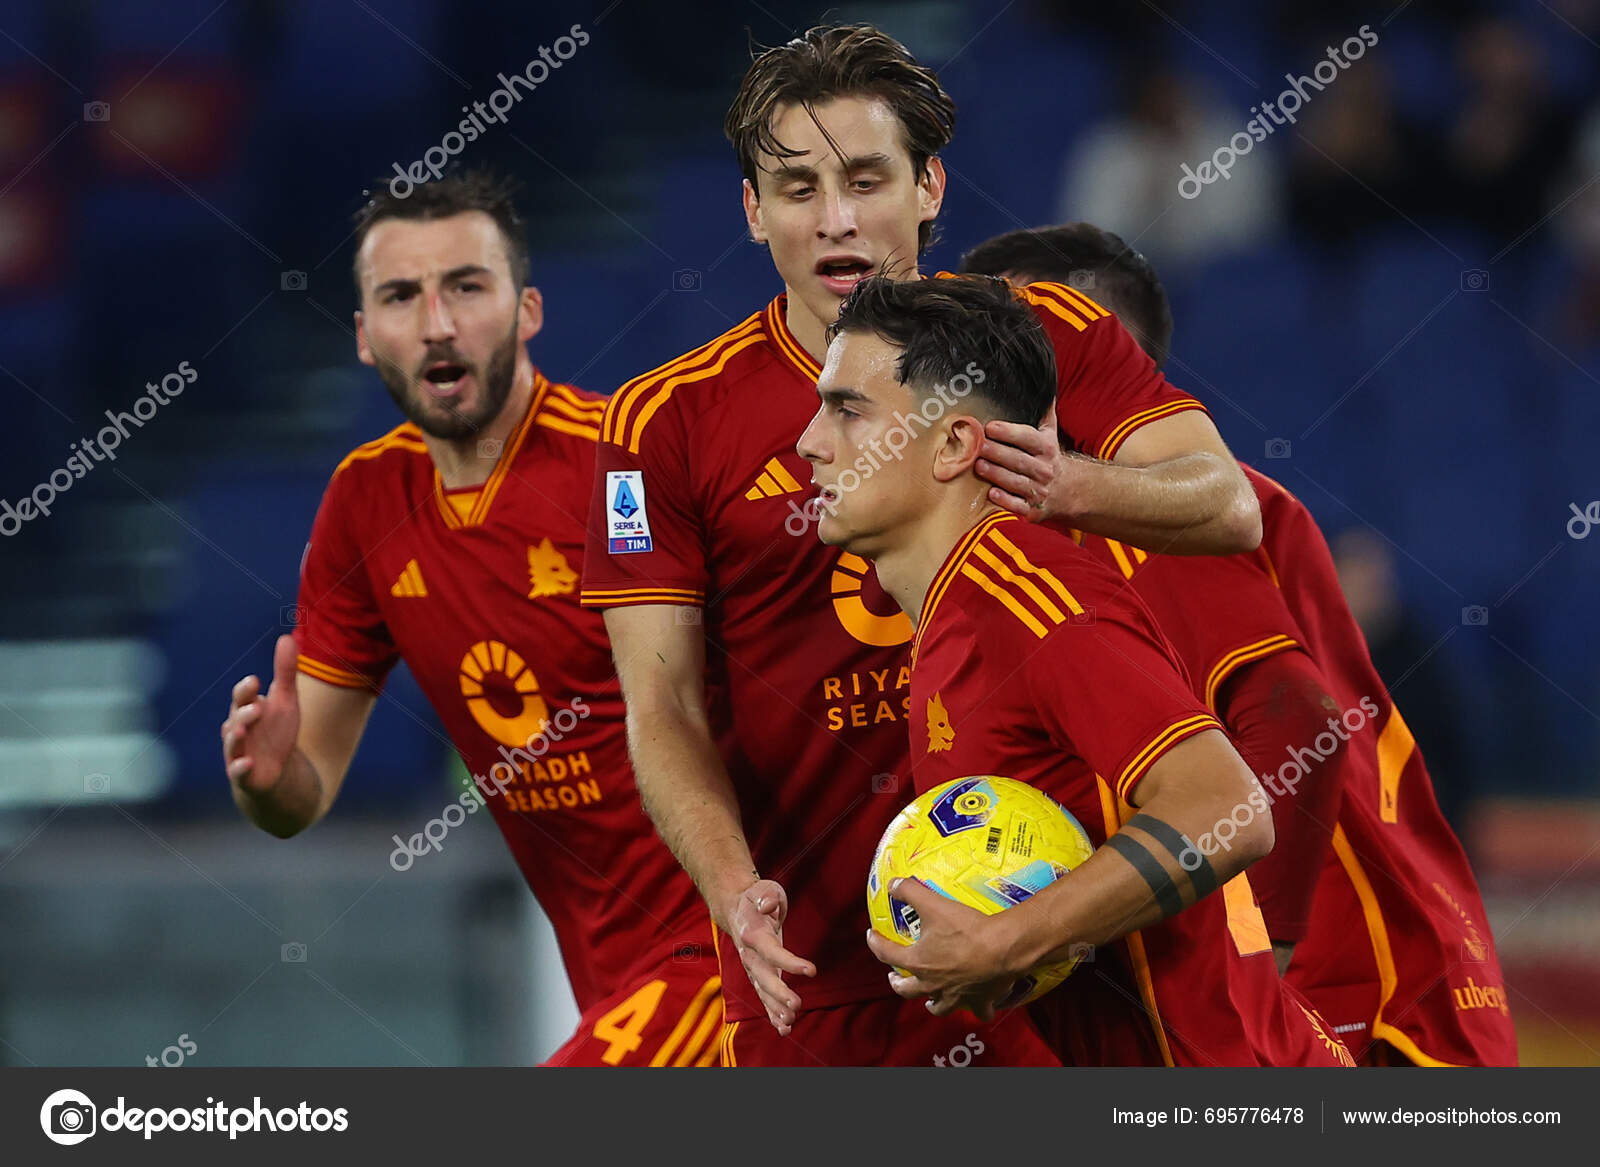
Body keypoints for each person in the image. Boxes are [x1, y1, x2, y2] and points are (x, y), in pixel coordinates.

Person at [581, 23, 1263, 1066]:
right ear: (754, 211)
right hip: (819, 974)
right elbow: (660, 706)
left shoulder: (1041, 336)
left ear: (929, 187)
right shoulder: (658, 425)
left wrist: (1068, 482)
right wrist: (730, 886)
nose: (839, 221)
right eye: (799, 190)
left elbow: (1225, 504)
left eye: (867, 178)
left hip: (1054, 950)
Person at [959, 222, 1518, 1066]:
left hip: (1356, 1008)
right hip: (1411, 978)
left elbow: (1301, 721)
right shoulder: (1171, 506)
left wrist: (1257, 971)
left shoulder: (1126, 517)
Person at [219, 170, 721, 1067]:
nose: (438, 323)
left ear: (528, 310)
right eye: (401, 297)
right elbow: (305, 792)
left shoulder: (622, 470)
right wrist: (269, 781)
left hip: (728, 940)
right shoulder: (365, 502)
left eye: (466, 286)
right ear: (366, 338)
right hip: (610, 975)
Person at [797, 273, 1351, 1066]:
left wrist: (1006, 939)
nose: (809, 441)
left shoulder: (1026, 592)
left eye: (848, 410)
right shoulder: (958, 614)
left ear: (954, 444)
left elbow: (1228, 806)